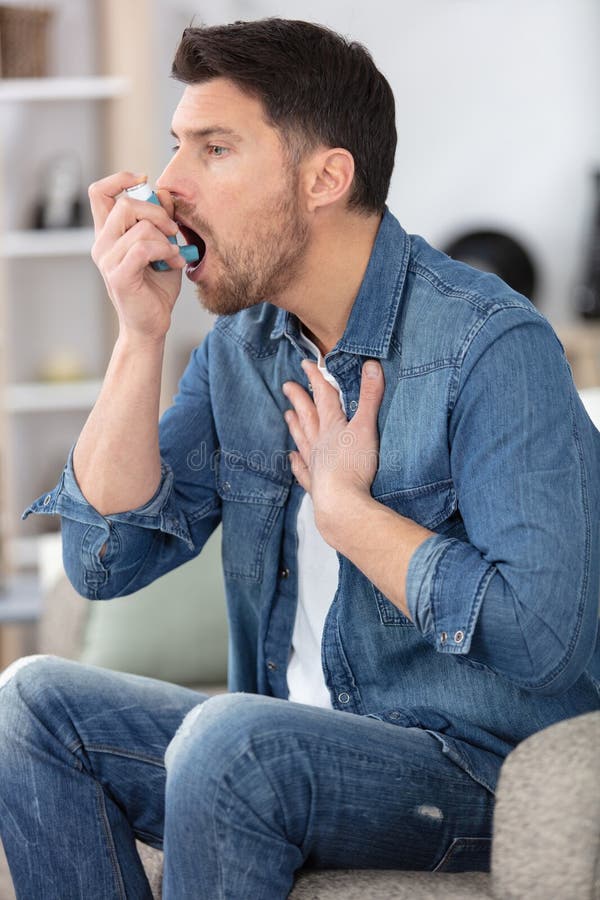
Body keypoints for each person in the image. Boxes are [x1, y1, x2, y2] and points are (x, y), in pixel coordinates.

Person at [1, 17, 599, 900]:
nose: (166, 186)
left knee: (235, 742)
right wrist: (139, 336)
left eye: (213, 149)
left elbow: (547, 641)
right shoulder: (243, 347)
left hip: (468, 769)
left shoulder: (490, 345)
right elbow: (102, 560)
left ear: (325, 178)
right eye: (175, 147)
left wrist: (350, 515)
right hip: (279, 748)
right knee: (29, 706)